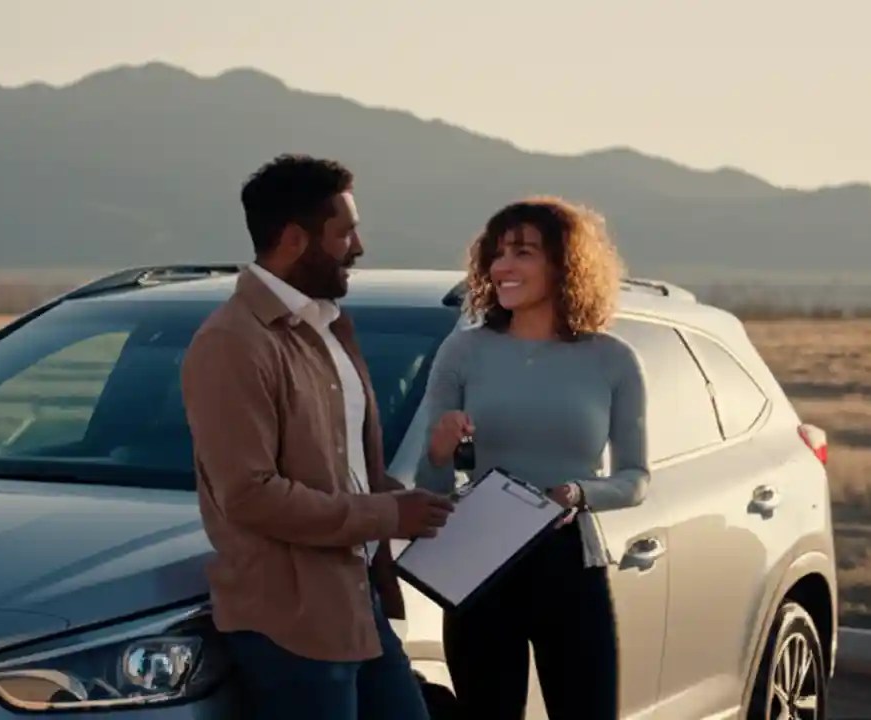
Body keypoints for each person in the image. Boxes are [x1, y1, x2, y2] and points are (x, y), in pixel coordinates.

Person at [180, 154, 455, 720]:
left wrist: (422, 507)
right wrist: (386, 514)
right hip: (291, 621)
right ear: (292, 239)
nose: (359, 246)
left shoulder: (327, 327)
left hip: (359, 603)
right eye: (344, 231)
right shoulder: (234, 343)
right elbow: (250, 494)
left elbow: (345, 469)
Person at [414, 196, 650, 719]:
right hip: (480, 559)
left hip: (568, 560)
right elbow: (429, 488)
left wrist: (579, 493)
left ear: (564, 264)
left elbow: (635, 479)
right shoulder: (463, 352)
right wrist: (438, 449)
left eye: (522, 252)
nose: (503, 266)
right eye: (497, 254)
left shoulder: (612, 359)